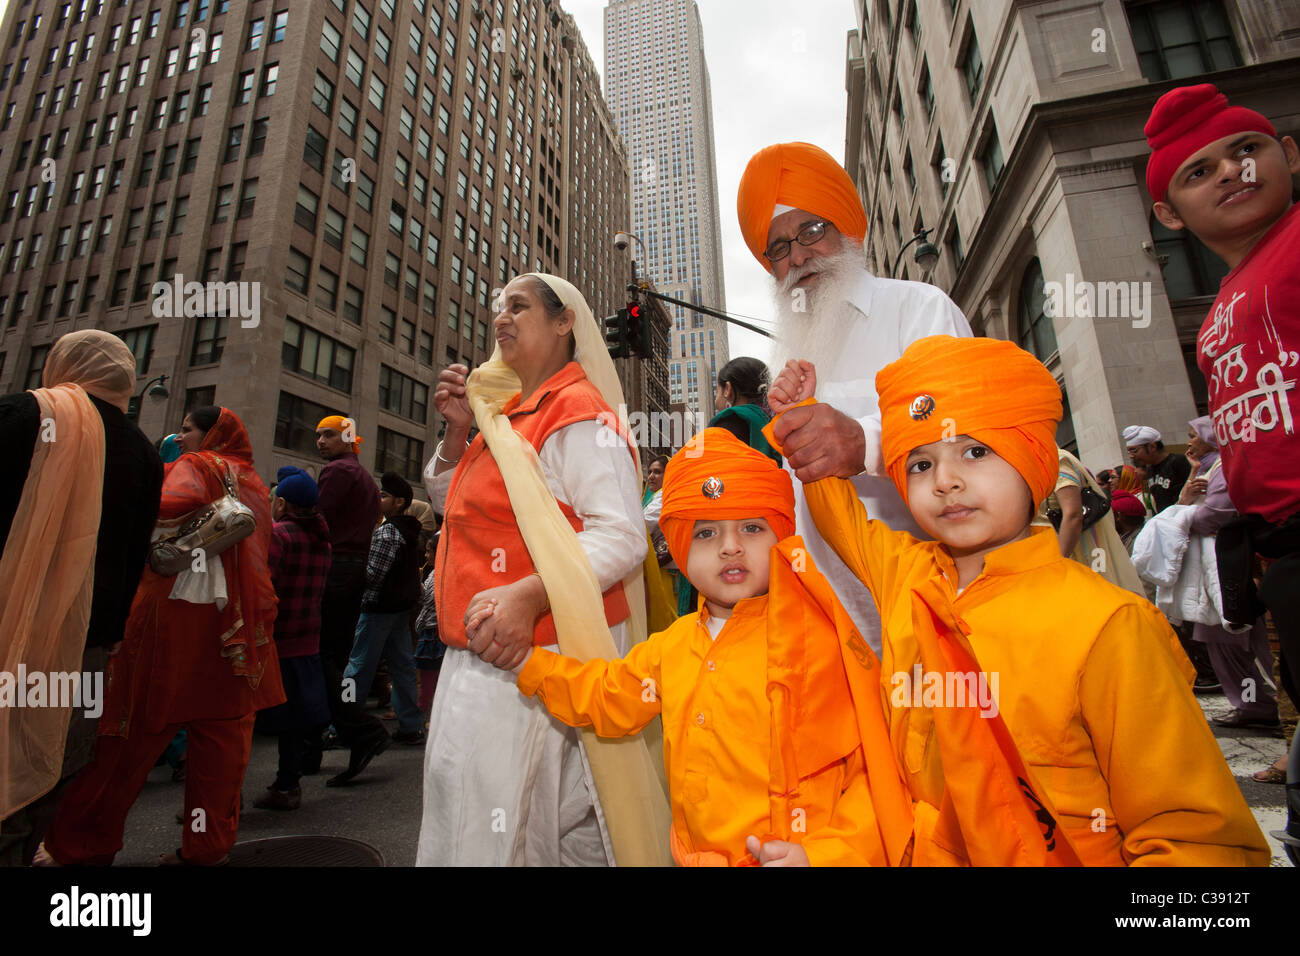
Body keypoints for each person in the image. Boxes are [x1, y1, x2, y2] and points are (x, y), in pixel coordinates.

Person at [767, 336, 1268, 865]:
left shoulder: (1107, 624)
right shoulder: (909, 575)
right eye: (919, 464)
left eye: (976, 452)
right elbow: (841, 519)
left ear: (1033, 458)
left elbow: (1199, 840)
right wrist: (802, 421)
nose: (946, 481)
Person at [466, 428, 908, 866]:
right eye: (706, 533)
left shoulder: (820, 644)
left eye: (752, 528)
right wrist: (526, 661)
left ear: (780, 535)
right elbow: (602, 694)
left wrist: (824, 856)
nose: (731, 548)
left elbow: (873, 772)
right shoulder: (671, 648)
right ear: (679, 549)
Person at [417, 273, 670, 867]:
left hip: (533, 651)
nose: (501, 318)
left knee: (501, 830)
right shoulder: (505, 414)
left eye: (520, 307)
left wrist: (527, 597)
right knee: (486, 815)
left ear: (564, 324)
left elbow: (623, 535)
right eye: (499, 307)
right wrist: (457, 434)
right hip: (487, 646)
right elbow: (453, 508)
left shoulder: (578, 412)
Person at [737, 141, 972, 658]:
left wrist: (862, 440)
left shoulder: (919, 309)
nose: (797, 255)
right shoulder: (791, 357)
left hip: (929, 613)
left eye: (810, 231)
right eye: (778, 248)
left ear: (845, 228)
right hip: (827, 627)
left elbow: (966, 431)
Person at [1146, 81, 1300, 861]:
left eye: (1248, 150)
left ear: (1289, 154)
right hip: (1280, 542)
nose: (1233, 172)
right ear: (1170, 213)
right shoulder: (1212, 320)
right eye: (1199, 171)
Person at [38, 406, 284, 866]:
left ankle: (82, 845)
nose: (180, 435)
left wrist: (161, 470)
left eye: (188, 428)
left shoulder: (195, 466)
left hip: (174, 623)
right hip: (238, 634)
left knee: (127, 738)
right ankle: (206, 848)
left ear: (207, 434)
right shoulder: (253, 481)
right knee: (221, 748)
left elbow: (157, 509)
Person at [0, 330, 163, 865]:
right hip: (89, 641)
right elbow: (136, 550)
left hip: (9, 625)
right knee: (56, 757)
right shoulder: (141, 449)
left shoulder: (24, 414)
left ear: (63, 363)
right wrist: (113, 634)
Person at [1178, 418, 1280, 732]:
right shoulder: (1205, 469)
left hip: (1230, 566)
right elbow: (1185, 506)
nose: (1190, 443)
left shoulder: (1224, 467)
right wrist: (1188, 489)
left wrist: (1180, 517)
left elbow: (1213, 516)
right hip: (1213, 569)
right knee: (1221, 642)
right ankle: (1251, 704)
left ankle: (1266, 703)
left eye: (1194, 435)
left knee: (1245, 638)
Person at [311, 414, 388, 785]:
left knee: (323, 657)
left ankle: (358, 729)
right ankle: (318, 740)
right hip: (351, 568)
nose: (320, 441)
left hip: (336, 568)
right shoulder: (364, 478)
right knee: (335, 658)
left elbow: (318, 519)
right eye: (318, 436)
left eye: (328, 435)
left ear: (347, 438)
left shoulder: (338, 473)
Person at [255, 467, 332, 810]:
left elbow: (263, 587)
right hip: (307, 641)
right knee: (294, 723)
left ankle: (222, 800)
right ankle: (288, 785)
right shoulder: (322, 539)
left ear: (282, 503)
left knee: (244, 722)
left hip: (276, 642)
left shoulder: (278, 535)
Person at [336, 471, 425, 760]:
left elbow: (373, 575)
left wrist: (351, 579)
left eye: (384, 495)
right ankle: (411, 725)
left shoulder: (388, 532)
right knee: (402, 667)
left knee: (358, 665)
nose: (379, 499)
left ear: (399, 502)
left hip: (377, 609)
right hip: (400, 610)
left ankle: (343, 725)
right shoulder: (411, 532)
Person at [1041, 448, 1145, 597]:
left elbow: (1073, 515)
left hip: (1079, 553)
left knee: (1098, 595)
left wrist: (1058, 564)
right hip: (1058, 556)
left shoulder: (1058, 461)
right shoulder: (1039, 466)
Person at [710, 356, 779, 464]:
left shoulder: (729, 421)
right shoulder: (773, 419)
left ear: (727, 389)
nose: (716, 398)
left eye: (717, 390)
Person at [1123, 425, 1191, 513]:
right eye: (1129, 452)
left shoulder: (1178, 462)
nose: (1131, 456)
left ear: (1152, 447)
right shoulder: (1150, 469)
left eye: (1134, 451)